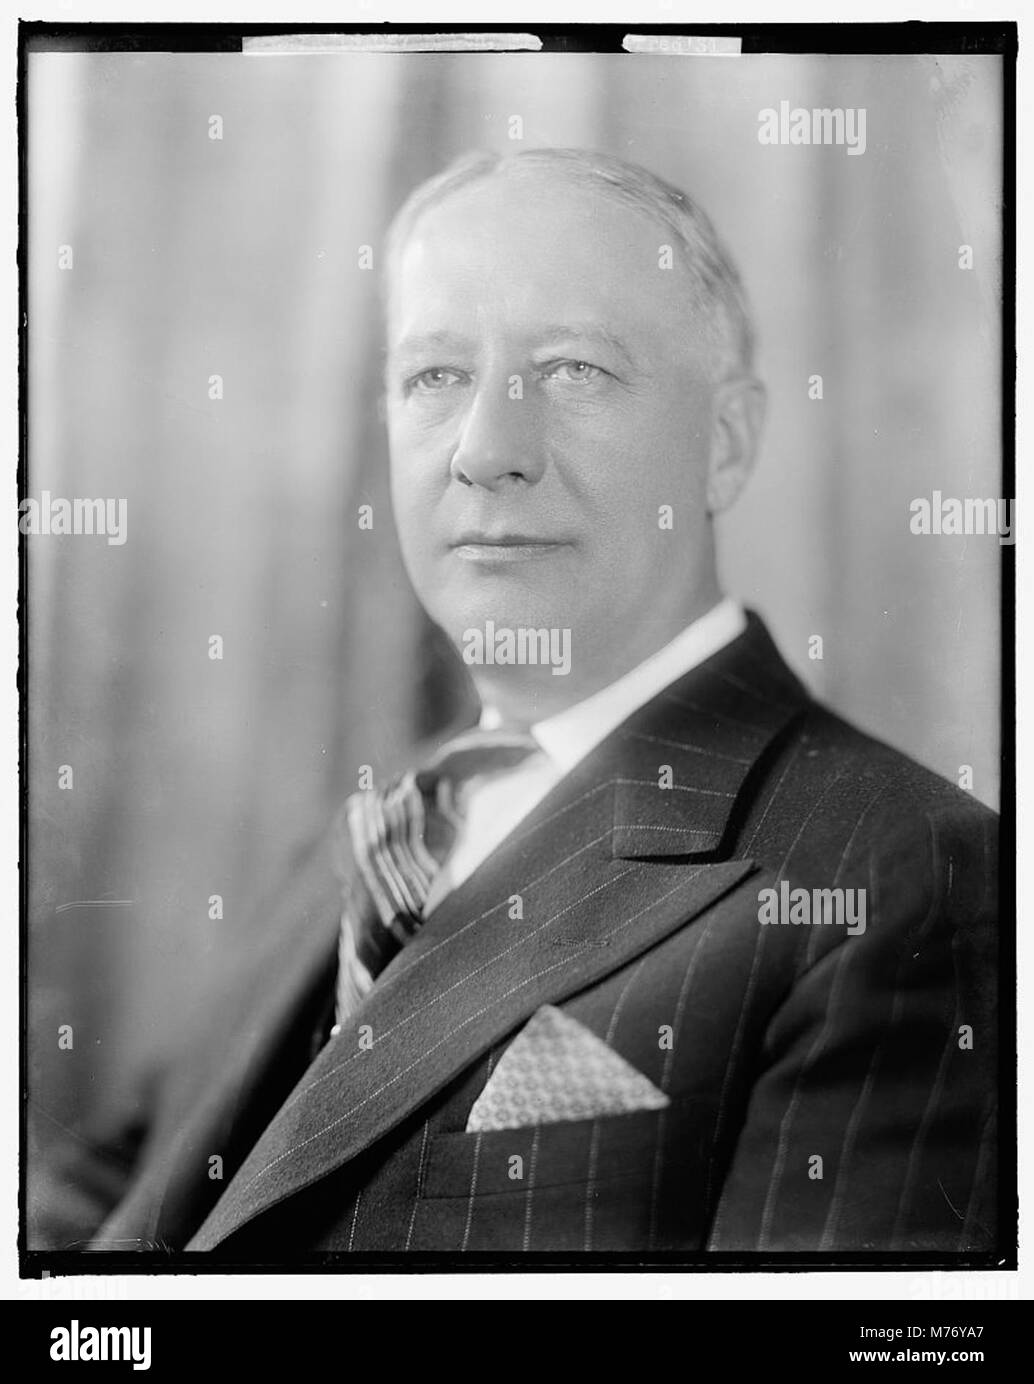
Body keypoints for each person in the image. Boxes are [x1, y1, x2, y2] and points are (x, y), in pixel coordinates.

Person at [31, 148, 998, 1255]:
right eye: (435, 376)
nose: (487, 451)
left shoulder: (909, 881)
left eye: (576, 369)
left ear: (723, 444)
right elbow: (125, 1187)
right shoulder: (384, 823)